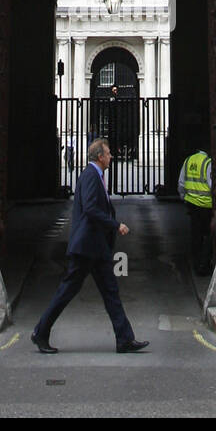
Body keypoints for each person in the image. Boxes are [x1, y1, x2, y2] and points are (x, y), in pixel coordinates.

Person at [31, 139, 149, 354]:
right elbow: (91, 209)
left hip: (96, 247)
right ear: (100, 157)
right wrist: (116, 225)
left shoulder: (95, 175)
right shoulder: (90, 176)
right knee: (67, 291)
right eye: (109, 153)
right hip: (87, 247)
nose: (112, 156)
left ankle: (125, 339)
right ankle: (41, 332)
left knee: (111, 292)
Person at [179, 145, 213, 276]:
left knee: (196, 235)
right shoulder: (208, 162)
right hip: (206, 205)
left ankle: (196, 262)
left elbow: (181, 183)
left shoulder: (188, 160)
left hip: (192, 203)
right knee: (209, 235)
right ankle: (203, 265)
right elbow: (211, 184)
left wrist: (183, 198)